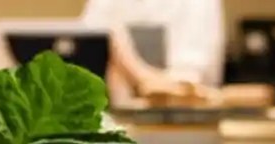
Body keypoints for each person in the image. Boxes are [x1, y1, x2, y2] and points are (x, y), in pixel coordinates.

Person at [80, 0, 225, 104]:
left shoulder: (198, 4)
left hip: (186, 125)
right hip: (117, 122)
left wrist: (135, 70)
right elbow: (87, 44)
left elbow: (186, 85)